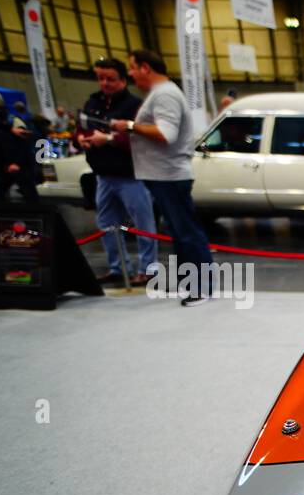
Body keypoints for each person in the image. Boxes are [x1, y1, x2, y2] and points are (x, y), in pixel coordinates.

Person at [110, 49, 214, 306]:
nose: (131, 74)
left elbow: (165, 133)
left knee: (187, 233)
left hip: (169, 175)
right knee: (181, 233)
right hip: (163, 175)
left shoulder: (165, 94)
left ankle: (201, 287)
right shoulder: (162, 93)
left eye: (132, 68)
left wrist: (130, 126)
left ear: (146, 68)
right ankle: (192, 284)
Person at [76, 56, 157, 285]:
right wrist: (81, 139)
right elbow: (80, 128)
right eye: (100, 78)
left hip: (131, 176)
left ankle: (148, 269)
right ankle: (118, 267)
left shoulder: (134, 106)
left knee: (144, 224)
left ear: (122, 80)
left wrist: (109, 139)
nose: (104, 83)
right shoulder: (92, 102)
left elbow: (143, 138)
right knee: (106, 224)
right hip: (103, 175)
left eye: (110, 79)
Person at [0, 92, 38, 204]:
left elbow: (25, 144)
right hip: (0, 166)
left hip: (17, 165)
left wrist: (16, 163)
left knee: (30, 197)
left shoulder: (12, 121)